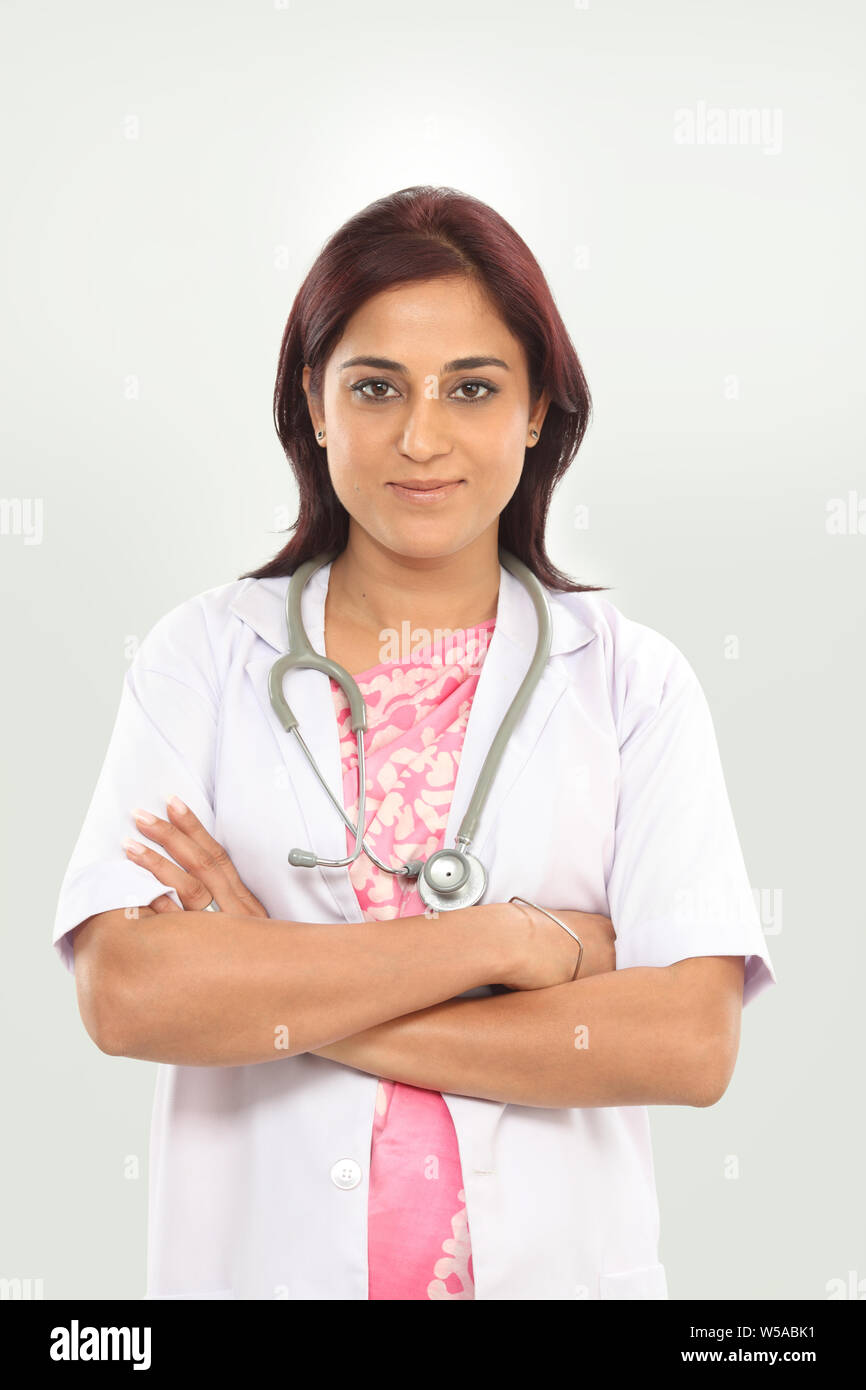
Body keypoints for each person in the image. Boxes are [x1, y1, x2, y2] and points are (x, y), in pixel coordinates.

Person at [53, 184, 776, 1301]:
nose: (422, 436)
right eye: (376, 386)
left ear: (535, 410)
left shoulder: (632, 683)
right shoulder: (200, 661)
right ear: (316, 400)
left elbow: (685, 1043)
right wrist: (500, 941)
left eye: (472, 388)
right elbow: (129, 996)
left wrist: (279, 995)